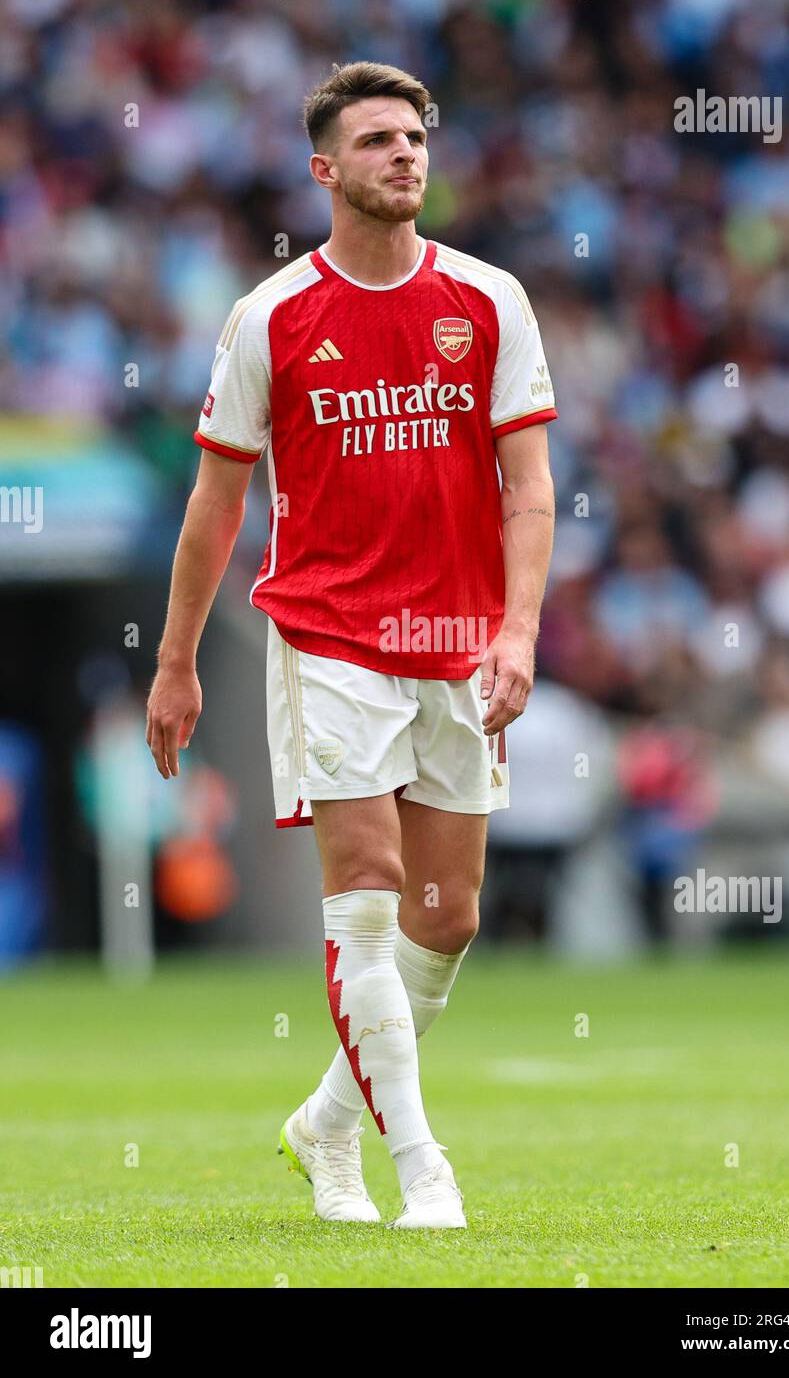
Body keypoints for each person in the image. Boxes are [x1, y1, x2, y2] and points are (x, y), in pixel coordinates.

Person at [145, 60, 557, 1230]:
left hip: (457, 639)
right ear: (323, 169)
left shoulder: (488, 301)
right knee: (370, 893)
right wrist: (176, 661)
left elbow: (528, 491)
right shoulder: (269, 317)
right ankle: (418, 1164)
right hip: (328, 634)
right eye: (377, 140)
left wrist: (517, 629)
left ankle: (327, 1118)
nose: (405, 154)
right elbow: (214, 506)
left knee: (449, 917)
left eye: (414, 136)